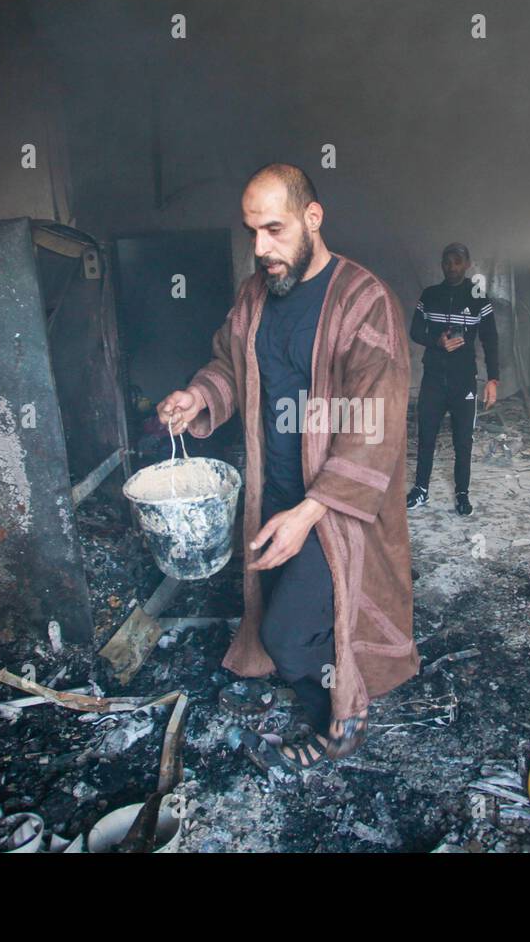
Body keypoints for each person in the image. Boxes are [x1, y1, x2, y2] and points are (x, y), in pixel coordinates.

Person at [156, 163, 417, 768]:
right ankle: (323, 683)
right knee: (287, 608)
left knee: (286, 634)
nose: (260, 247)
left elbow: (374, 422)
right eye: (251, 231)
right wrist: (199, 397)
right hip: (272, 491)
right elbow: (230, 363)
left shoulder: (364, 300)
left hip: (334, 507)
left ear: (313, 218)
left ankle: (343, 718)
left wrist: (312, 509)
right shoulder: (256, 294)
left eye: (273, 229)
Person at [406, 242, 499, 515]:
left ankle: (462, 493)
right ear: (442, 264)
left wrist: (493, 378)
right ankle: (421, 489)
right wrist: (437, 342)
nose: (451, 267)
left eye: (457, 261)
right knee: (426, 435)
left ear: (467, 264)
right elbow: (414, 331)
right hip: (434, 378)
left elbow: (490, 339)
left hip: (464, 380)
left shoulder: (478, 297)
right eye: (447, 262)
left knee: (463, 440)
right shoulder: (430, 295)